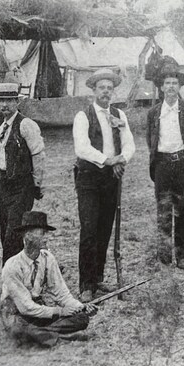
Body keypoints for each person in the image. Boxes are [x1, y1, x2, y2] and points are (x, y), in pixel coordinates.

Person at [72, 68, 136, 301]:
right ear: (94, 90)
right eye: (102, 88)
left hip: (111, 178)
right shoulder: (83, 115)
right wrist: (107, 160)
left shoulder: (120, 115)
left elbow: (129, 144)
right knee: (89, 229)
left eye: (109, 88)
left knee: (105, 229)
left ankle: (98, 277)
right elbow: (82, 148)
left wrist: (121, 160)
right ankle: (86, 284)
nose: (106, 92)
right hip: (89, 178)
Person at [0, 209, 92, 347]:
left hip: (39, 312)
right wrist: (59, 311)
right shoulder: (12, 266)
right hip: (17, 313)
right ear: (28, 236)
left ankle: (43, 334)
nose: (47, 238)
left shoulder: (48, 259)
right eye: (42, 233)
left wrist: (81, 307)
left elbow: (62, 294)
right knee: (17, 329)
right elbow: (25, 308)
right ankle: (60, 337)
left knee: (82, 318)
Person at [146, 58, 184, 267]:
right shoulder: (154, 113)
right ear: (161, 87)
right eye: (167, 83)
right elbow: (150, 139)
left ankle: (181, 256)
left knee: (182, 210)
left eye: (174, 83)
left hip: (182, 164)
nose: (170, 87)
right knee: (164, 210)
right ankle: (164, 256)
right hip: (162, 165)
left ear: (179, 87)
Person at [0, 81, 46, 264]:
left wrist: (37, 184)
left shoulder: (26, 124)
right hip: (5, 184)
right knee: (5, 230)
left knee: (12, 235)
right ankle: (24, 270)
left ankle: (11, 276)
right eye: (1, 101)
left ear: (17, 102)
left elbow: (38, 154)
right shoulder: (3, 127)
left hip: (22, 186)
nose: (4, 105)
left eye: (9, 100)